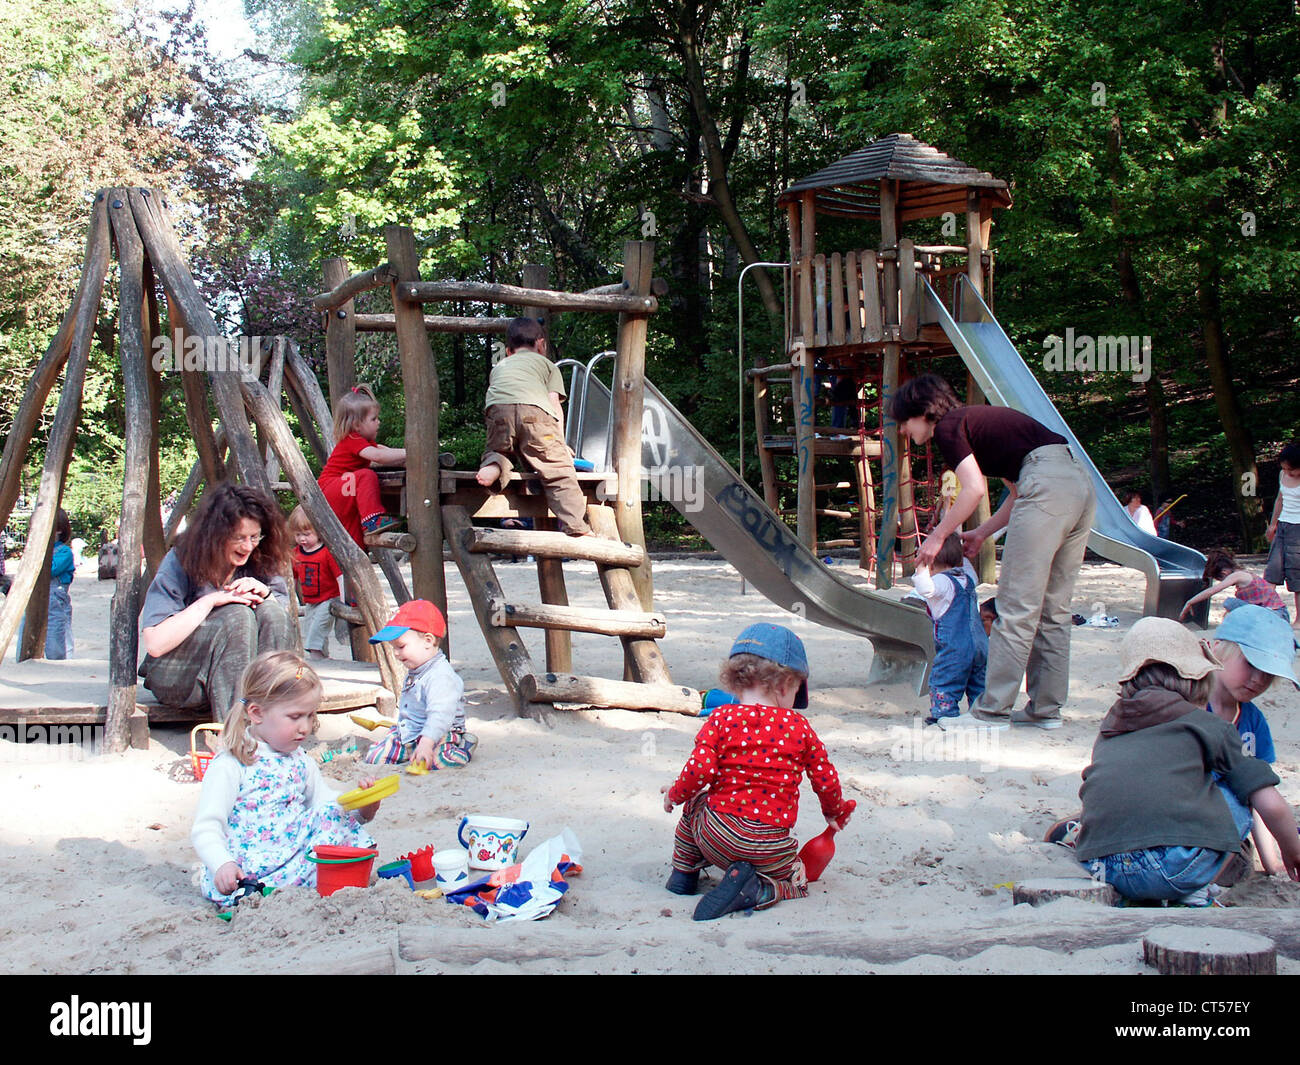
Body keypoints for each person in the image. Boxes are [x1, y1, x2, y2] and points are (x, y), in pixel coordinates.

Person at [890, 374, 1096, 729]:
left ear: (923, 412)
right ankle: (1045, 711)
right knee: (1054, 608)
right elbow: (1016, 494)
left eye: (903, 422)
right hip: (1078, 484)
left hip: (1045, 486)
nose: (903, 432)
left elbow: (972, 491)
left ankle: (992, 711)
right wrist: (983, 533)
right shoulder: (980, 424)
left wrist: (938, 535)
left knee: (1016, 606)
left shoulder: (949, 427)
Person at [1070, 617, 1300, 905]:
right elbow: (1270, 804)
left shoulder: (1112, 725)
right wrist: (1293, 852)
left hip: (1102, 866)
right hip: (1175, 868)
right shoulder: (1211, 726)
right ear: (1200, 678)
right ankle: (1192, 892)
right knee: (1238, 793)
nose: (1258, 679)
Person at [661, 623, 855, 921]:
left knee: (693, 806)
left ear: (735, 680)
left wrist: (674, 794)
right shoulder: (800, 728)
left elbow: (699, 770)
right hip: (770, 847)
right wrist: (833, 811)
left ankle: (683, 876)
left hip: (716, 838)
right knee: (798, 883)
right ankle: (762, 888)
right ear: (784, 685)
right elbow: (824, 778)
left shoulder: (721, 718)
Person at [191, 652, 381, 904]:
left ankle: (320, 885)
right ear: (257, 713)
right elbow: (206, 827)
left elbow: (325, 808)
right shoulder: (232, 763)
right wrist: (222, 864)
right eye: (295, 717)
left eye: (310, 715)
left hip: (289, 857)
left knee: (328, 816)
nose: (306, 727)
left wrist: (362, 808)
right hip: (245, 869)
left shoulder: (300, 759)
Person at [138, 483, 293, 721]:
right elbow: (156, 643)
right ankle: (233, 735)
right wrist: (210, 602)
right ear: (215, 534)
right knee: (236, 615)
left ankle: (271, 721)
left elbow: (282, 620)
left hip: (240, 684)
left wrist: (266, 595)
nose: (248, 547)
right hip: (179, 677)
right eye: (238, 538)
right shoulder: (181, 560)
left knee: (271, 611)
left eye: (254, 536)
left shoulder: (262, 558)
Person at [1206, 605, 1300, 877]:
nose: (1258, 680)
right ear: (1216, 649)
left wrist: (1273, 865)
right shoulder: (1189, 705)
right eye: (1251, 664)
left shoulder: (1253, 722)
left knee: (1239, 867)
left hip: (1225, 831)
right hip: (1182, 817)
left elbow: (1258, 797)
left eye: (1269, 673)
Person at [475, 318, 591, 537]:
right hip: (535, 413)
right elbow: (554, 405)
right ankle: (575, 525)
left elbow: (500, 398)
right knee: (558, 471)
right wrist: (560, 444)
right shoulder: (547, 366)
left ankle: (493, 465)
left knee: (501, 449)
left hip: (499, 412)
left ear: (508, 351)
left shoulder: (499, 366)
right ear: (541, 344)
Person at [361, 599, 476, 769]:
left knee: (439, 762)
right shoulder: (418, 669)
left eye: (400, 646)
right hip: (411, 732)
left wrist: (427, 743)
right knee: (375, 757)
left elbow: (440, 715)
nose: (396, 654)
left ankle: (465, 746)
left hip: (439, 734)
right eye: (393, 648)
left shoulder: (441, 677)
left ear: (428, 641)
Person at [912, 533, 988, 728]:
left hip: (955, 646)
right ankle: (982, 713)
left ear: (931, 562)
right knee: (979, 683)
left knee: (944, 681)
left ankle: (944, 715)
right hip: (980, 645)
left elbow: (924, 589)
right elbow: (965, 563)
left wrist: (920, 565)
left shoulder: (942, 582)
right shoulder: (968, 577)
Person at [318, 384, 406, 548]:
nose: (378, 422)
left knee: (355, 537)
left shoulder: (365, 442)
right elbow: (379, 457)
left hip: (343, 489)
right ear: (357, 425)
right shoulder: (352, 439)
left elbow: (385, 451)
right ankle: (373, 520)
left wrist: (405, 458)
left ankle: (356, 563)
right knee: (366, 475)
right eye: (374, 419)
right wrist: (412, 452)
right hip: (331, 487)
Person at [289, 505, 345, 660]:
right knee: (310, 630)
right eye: (298, 534)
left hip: (328, 599)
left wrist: (342, 600)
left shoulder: (326, 553)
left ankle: (316, 658)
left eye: (307, 534)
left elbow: (339, 577)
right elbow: (291, 577)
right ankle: (323, 657)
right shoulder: (296, 554)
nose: (302, 539)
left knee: (317, 631)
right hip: (310, 601)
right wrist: (292, 599)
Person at [1179, 548, 1289, 623]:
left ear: (1224, 573)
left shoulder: (1238, 575)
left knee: (1230, 603)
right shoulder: (1244, 574)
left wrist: (1190, 602)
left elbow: (1211, 591)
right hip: (1279, 612)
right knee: (1232, 610)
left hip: (1276, 614)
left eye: (1220, 579)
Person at [1265, 442, 1300, 625]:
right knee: (1272, 569)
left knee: (1297, 575)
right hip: (1283, 525)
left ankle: (1299, 619)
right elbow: (1280, 499)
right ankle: (1267, 612)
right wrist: (1273, 524)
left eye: (1291, 470)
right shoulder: (1282, 475)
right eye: (1284, 468)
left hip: (1298, 528)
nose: (1287, 473)